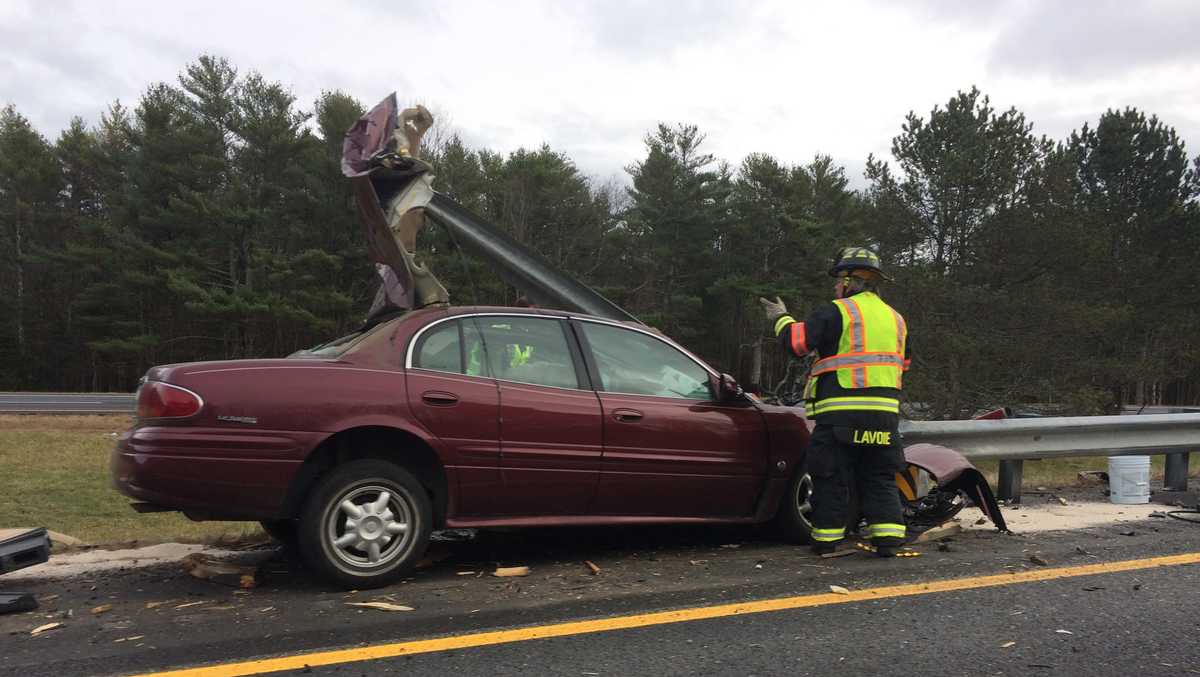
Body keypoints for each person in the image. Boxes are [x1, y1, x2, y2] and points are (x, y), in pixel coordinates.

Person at [760, 247, 911, 557]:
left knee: (830, 475)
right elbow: (902, 365)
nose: (835, 287)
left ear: (849, 281)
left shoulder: (837, 310)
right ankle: (888, 540)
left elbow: (797, 343)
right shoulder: (897, 319)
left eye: (837, 281)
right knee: (879, 476)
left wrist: (781, 318)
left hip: (841, 414)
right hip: (884, 416)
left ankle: (827, 541)